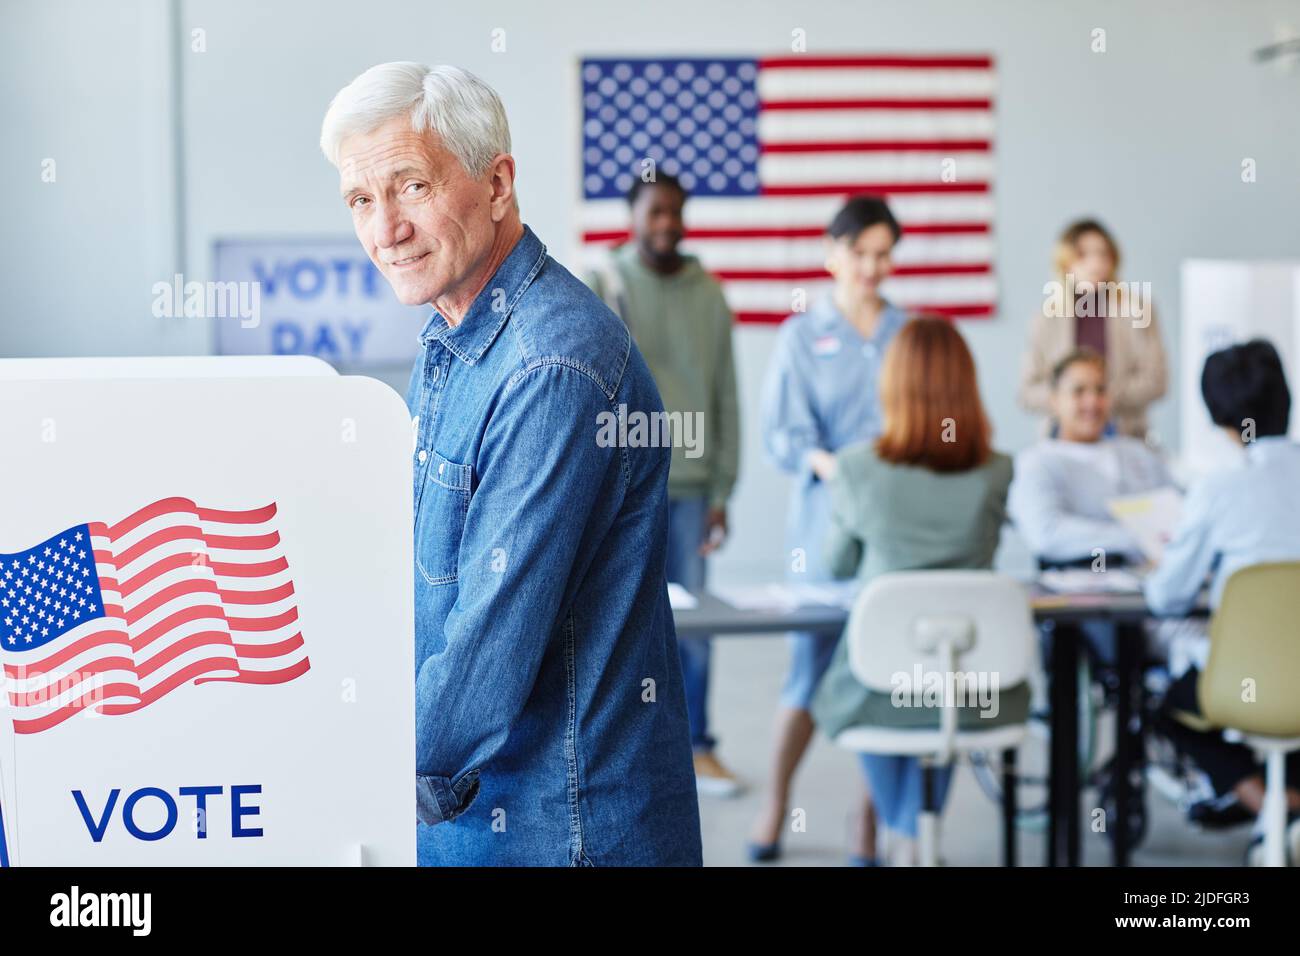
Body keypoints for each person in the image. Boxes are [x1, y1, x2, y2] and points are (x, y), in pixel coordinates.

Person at [320, 62, 701, 866]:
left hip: (561, 828)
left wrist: (338, 779)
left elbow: (486, 653)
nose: (385, 229)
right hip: (485, 814)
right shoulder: (452, 339)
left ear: (497, 185)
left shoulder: (551, 367)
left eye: (412, 187)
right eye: (362, 199)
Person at [811, 317, 1026, 866]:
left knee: (878, 692)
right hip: (976, 691)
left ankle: (904, 839)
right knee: (941, 707)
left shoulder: (857, 470)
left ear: (893, 385)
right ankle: (913, 837)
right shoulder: (998, 472)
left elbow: (834, 564)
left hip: (877, 693)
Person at [752, 195, 908, 861]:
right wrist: (836, 467)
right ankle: (775, 805)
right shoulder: (801, 335)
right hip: (824, 525)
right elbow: (783, 434)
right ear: (832, 252)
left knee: (883, 671)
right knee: (809, 674)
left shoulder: (908, 332)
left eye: (883, 255)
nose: (872, 267)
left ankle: (865, 826)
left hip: (896, 530)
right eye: (861, 253)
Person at [585, 171, 742, 797]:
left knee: (696, 626)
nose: (666, 223)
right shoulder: (605, 282)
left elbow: (727, 392)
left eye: (675, 211)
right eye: (655, 211)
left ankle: (700, 748)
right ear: (633, 215)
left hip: (694, 489)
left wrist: (723, 490)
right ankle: (633, 758)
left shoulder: (710, 294)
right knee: (619, 624)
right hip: (624, 485)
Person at [1145, 340, 1300, 863]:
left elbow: (1166, 598)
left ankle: (1269, 807)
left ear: (1221, 418)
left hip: (1242, 689)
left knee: (1163, 707)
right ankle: (1288, 807)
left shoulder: (1217, 490)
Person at [1010, 347, 1173, 568]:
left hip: (1153, 589)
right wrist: (1136, 536)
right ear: (1054, 400)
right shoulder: (1038, 462)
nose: (1092, 402)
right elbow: (1046, 534)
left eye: (1101, 390)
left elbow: (1179, 511)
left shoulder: (1138, 454)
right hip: (1076, 593)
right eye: (1079, 391)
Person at [1019, 219, 1167, 439]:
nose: (1096, 263)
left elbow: (1156, 381)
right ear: (1065, 262)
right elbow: (1027, 392)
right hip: (1062, 438)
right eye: (1084, 255)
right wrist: (1071, 400)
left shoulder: (1138, 310)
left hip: (1126, 435)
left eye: (1103, 254)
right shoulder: (1045, 318)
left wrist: (1101, 397)